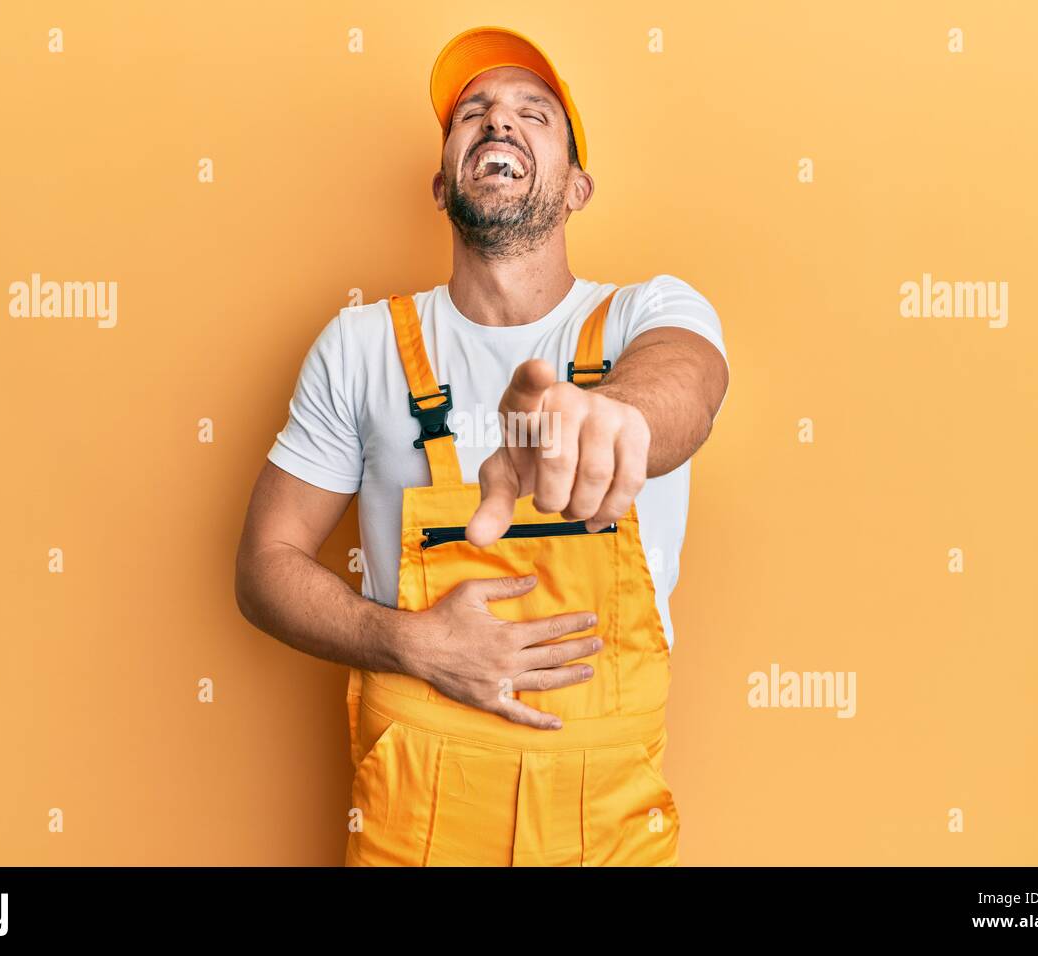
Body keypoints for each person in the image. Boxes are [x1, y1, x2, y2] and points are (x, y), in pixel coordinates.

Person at [236, 25, 730, 866]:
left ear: (577, 187)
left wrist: (611, 416)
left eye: (534, 114)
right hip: (412, 814)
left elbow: (690, 383)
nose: (499, 122)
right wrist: (408, 642)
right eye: (474, 112)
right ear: (441, 182)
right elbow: (263, 567)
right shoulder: (361, 345)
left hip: (608, 821)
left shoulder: (651, 313)